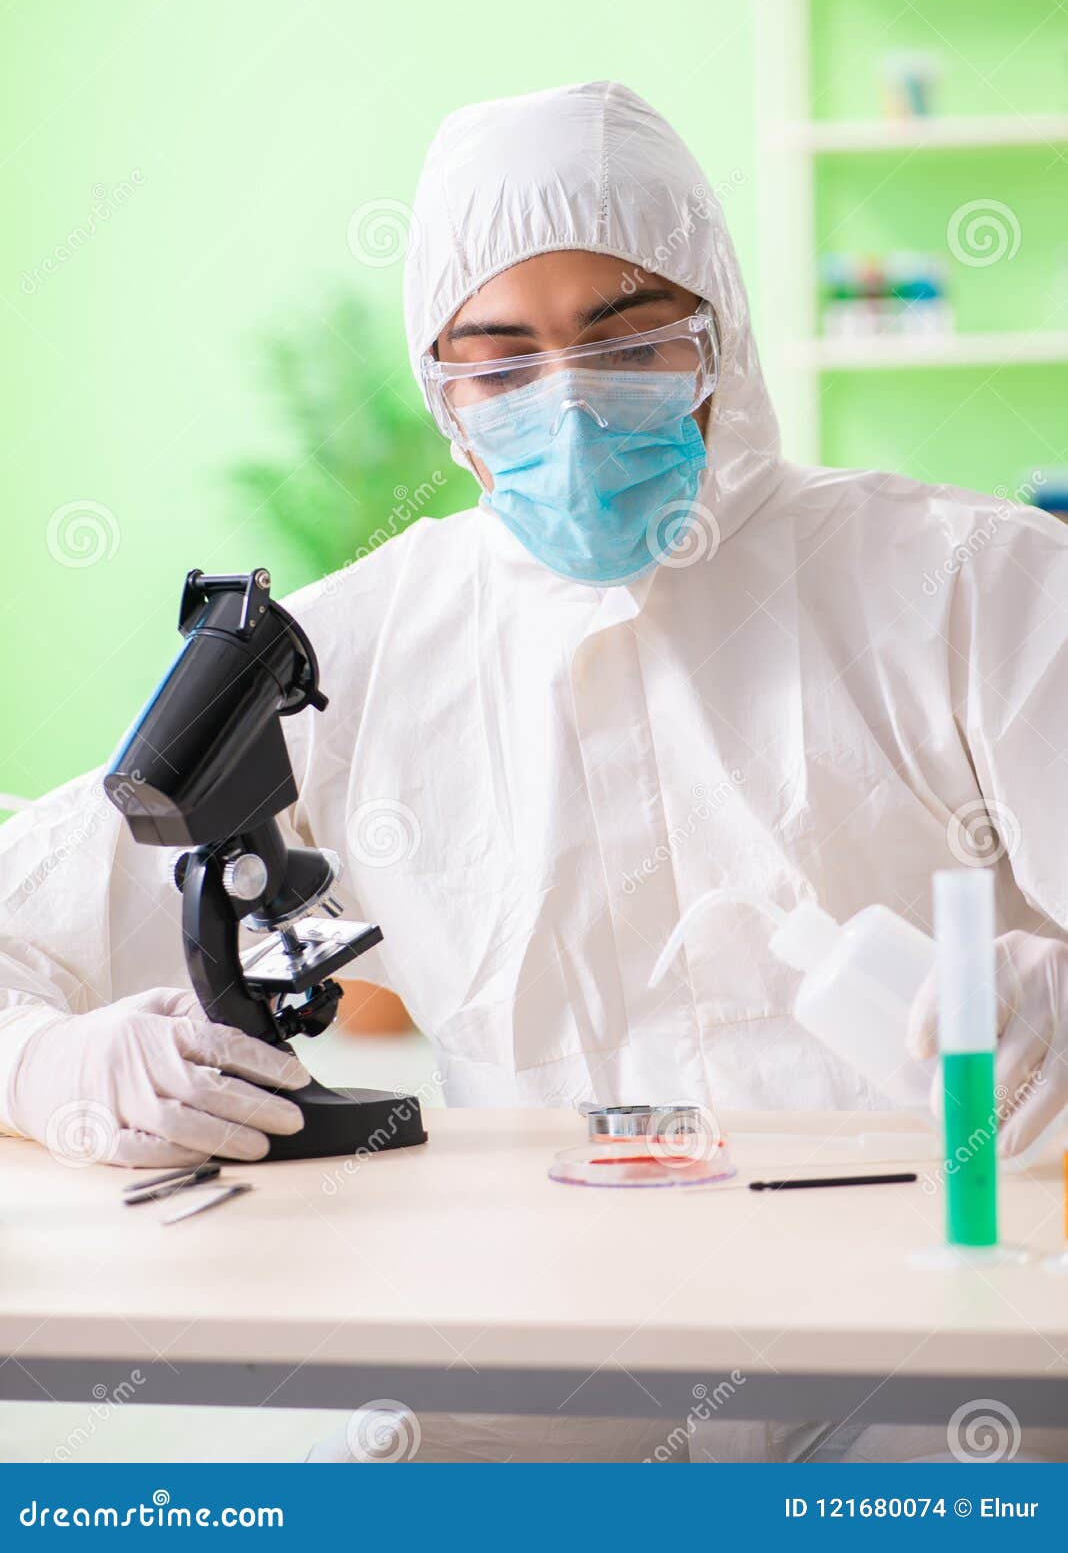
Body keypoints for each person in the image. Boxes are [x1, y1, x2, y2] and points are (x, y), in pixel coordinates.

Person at [1, 82, 1067, 1464]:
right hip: (549, 1371)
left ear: (716, 337)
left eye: (625, 341)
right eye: (501, 365)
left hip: (941, 1361)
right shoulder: (354, 649)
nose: (567, 408)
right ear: (441, 387)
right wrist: (52, 1067)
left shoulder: (970, 588)